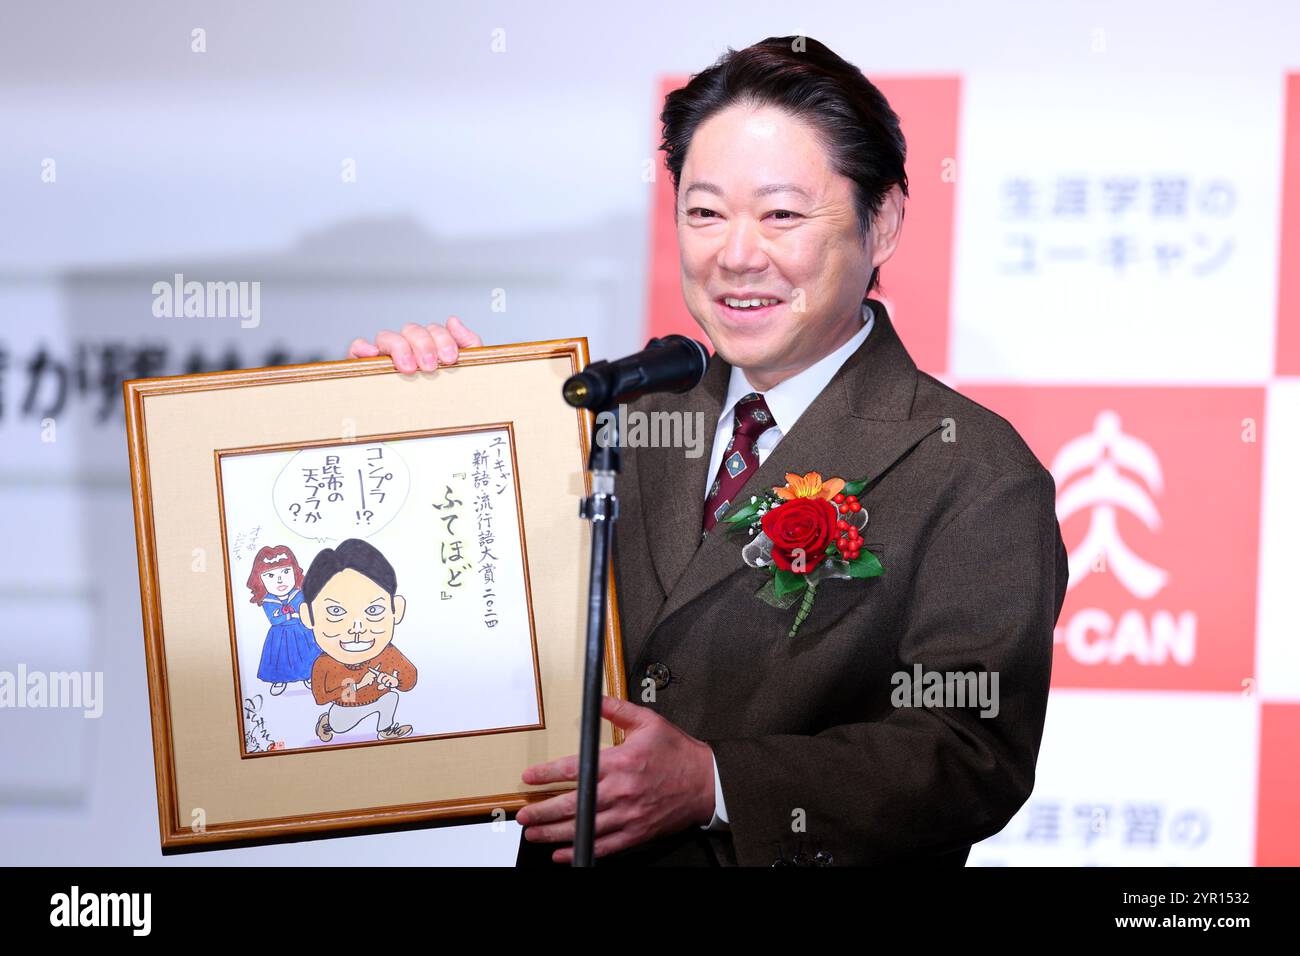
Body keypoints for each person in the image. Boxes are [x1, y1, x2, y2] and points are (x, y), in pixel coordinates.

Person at [347, 36, 1068, 866]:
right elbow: (463, 615)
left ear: (885, 221)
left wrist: (715, 782)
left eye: (782, 214)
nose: (734, 254)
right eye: (705, 211)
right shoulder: (616, 412)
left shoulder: (974, 469)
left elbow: (967, 754)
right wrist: (410, 426)